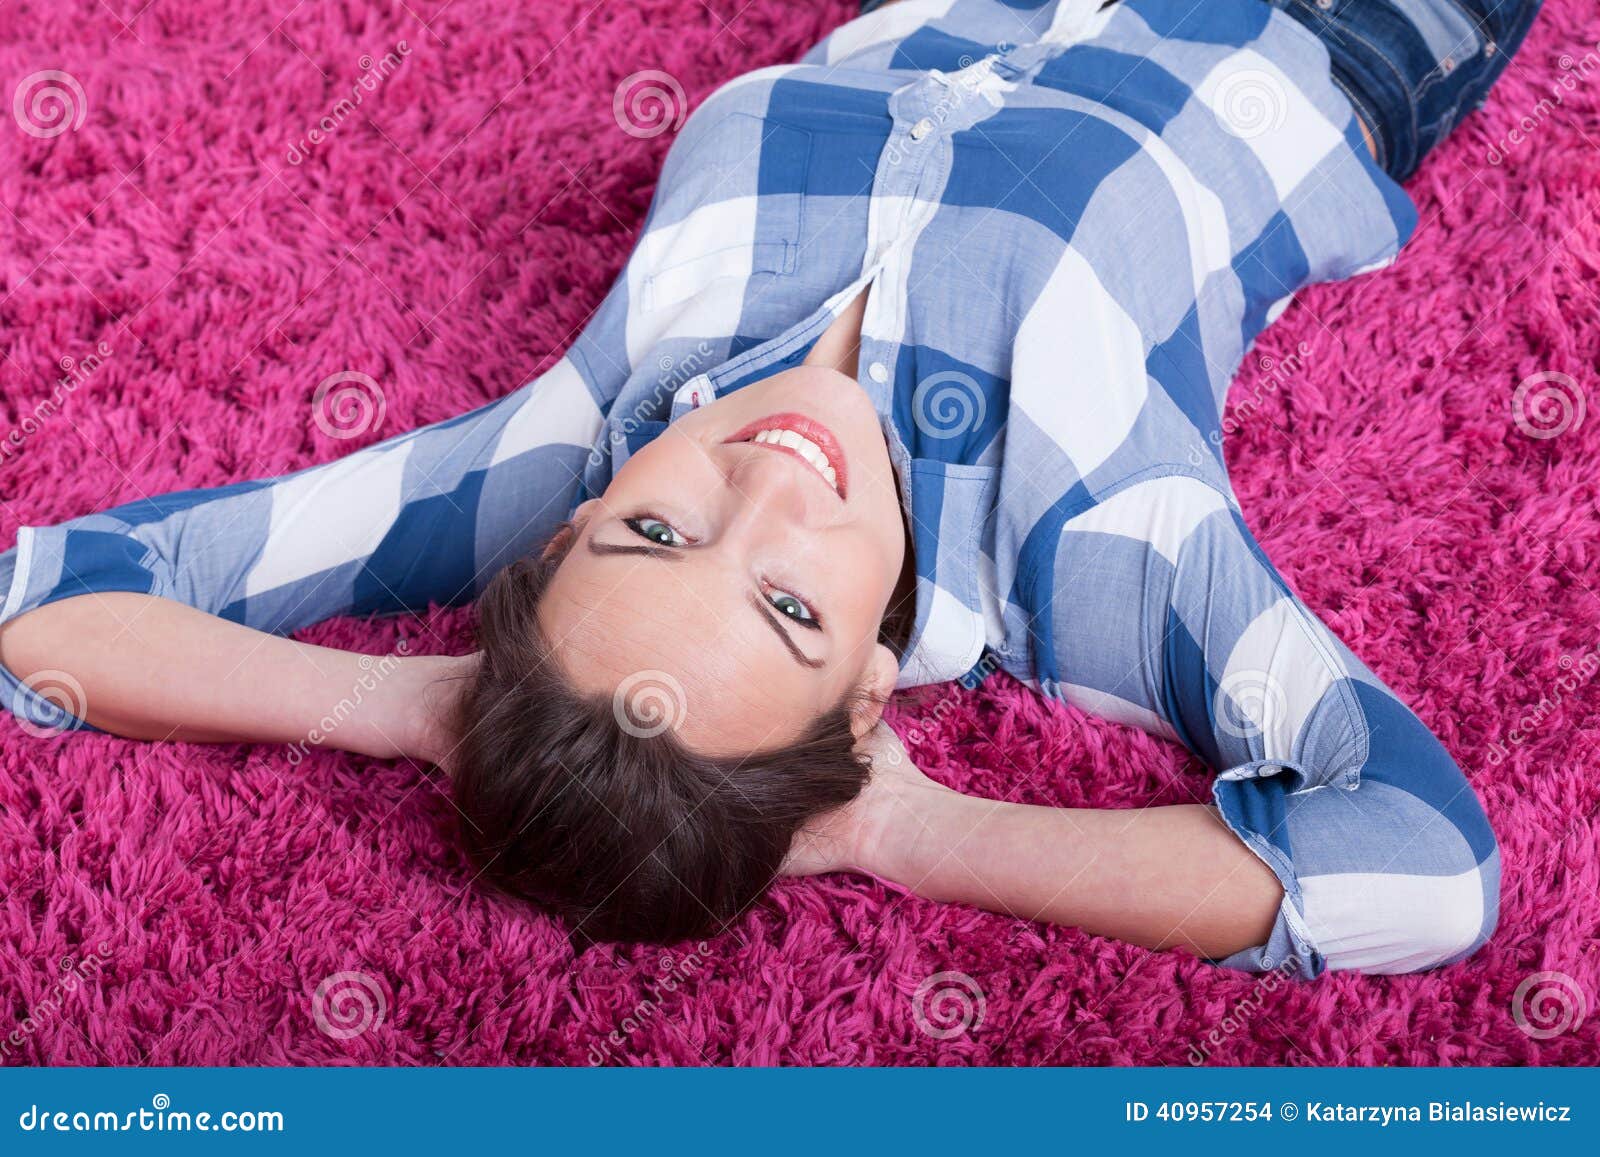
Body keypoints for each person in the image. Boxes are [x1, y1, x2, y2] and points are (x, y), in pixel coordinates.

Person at [0, 0, 1542, 975]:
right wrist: (912, 834)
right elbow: (1425, 868)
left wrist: (452, 707)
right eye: (792, 606)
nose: (766, 488)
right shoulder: (1103, 549)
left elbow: (50, 608)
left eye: (654, 530)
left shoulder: (564, 444)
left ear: (568, 536)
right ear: (867, 697)